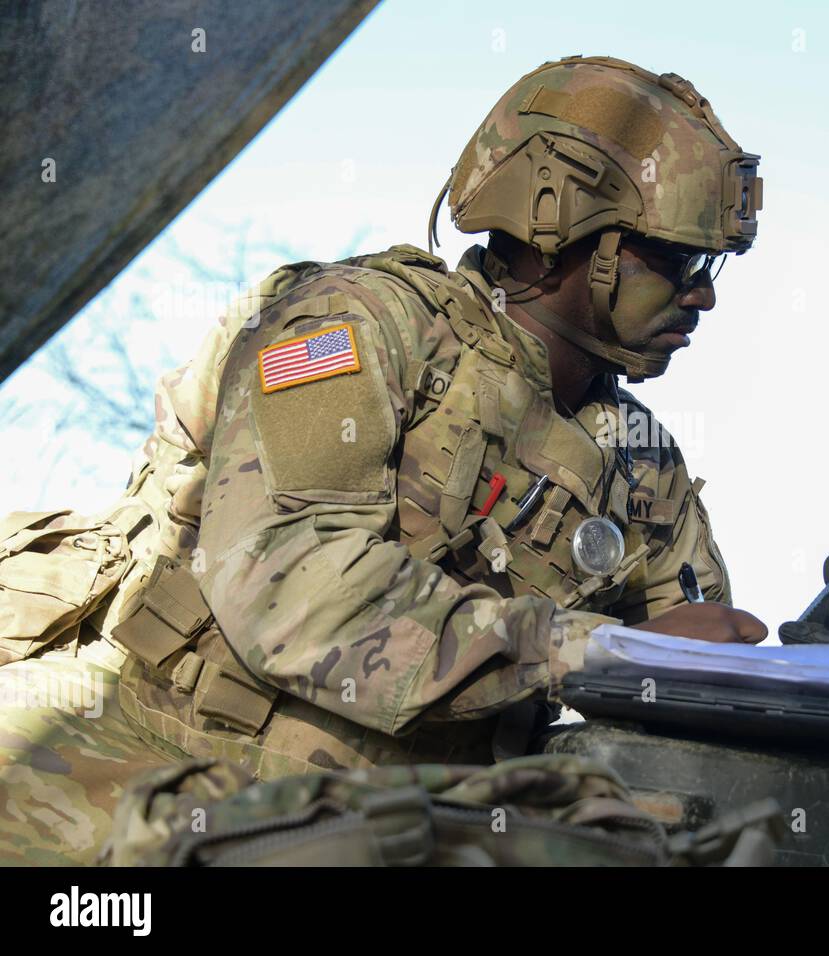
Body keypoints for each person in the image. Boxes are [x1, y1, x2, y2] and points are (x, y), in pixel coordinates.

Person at [0, 55, 765, 861]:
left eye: (708, 267)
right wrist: (588, 651)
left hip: (404, 828)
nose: (703, 295)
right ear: (557, 229)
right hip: (145, 781)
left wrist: (807, 679)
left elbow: (688, 672)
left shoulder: (644, 468)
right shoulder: (349, 328)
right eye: (676, 261)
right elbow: (290, 580)